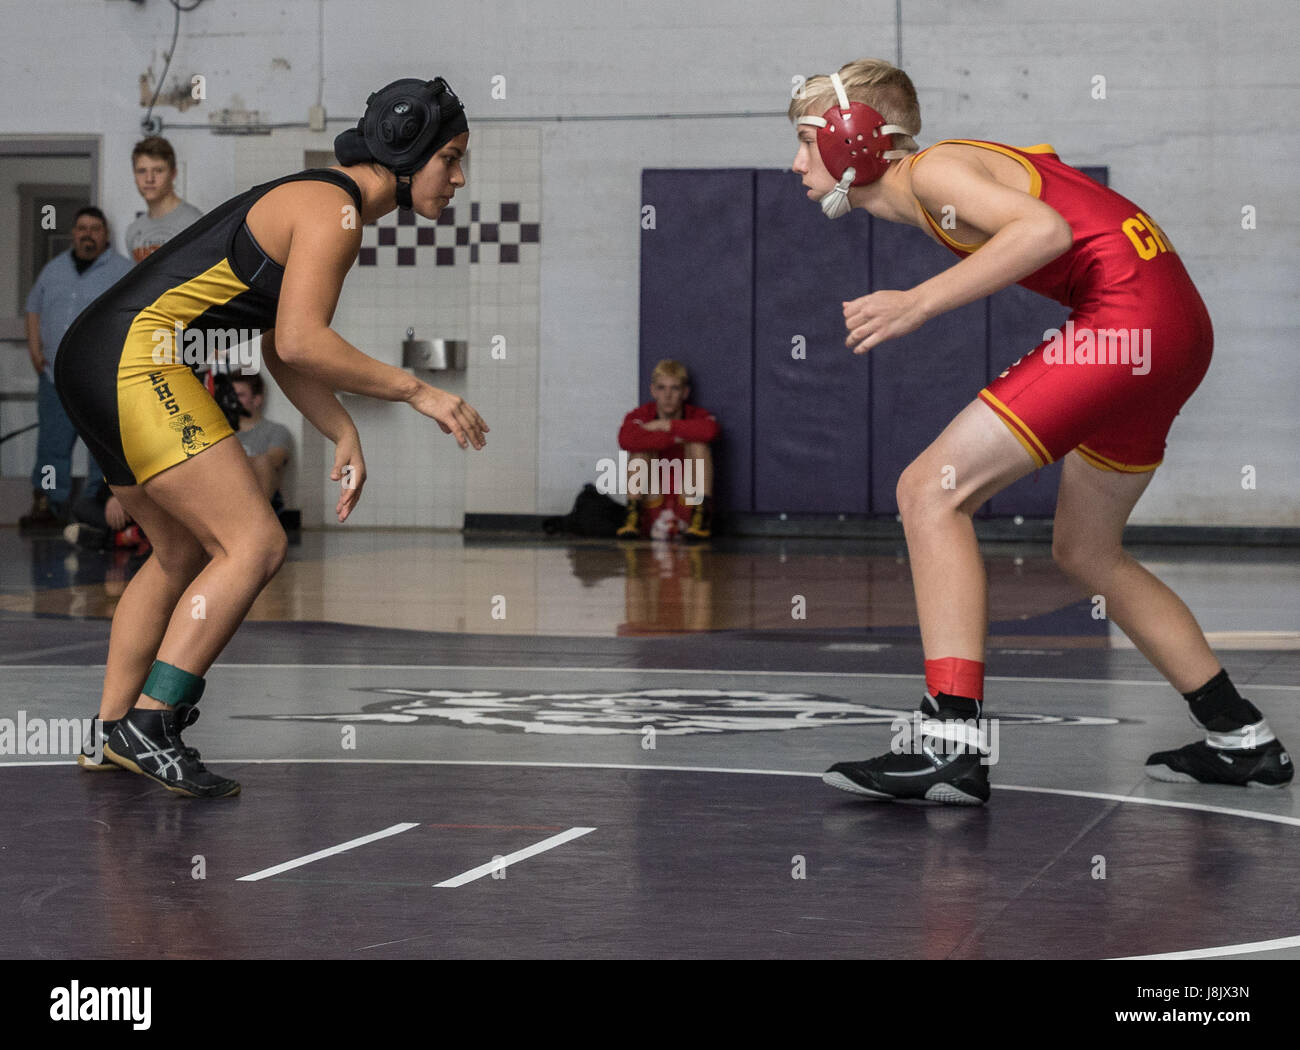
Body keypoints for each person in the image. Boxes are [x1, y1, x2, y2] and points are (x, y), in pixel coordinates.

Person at [788, 59, 1291, 804]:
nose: (796, 162)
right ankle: (1238, 735)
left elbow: (1045, 229)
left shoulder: (931, 172)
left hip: (1127, 319)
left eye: (804, 140)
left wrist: (919, 303)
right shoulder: (948, 171)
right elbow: (1052, 189)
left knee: (929, 490)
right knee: (1086, 550)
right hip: (1174, 325)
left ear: (854, 138)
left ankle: (951, 741)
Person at [57, 76, 487, 796]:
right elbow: (302, 338)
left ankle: (113, 732)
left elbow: (284, 350)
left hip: (95, 354)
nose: (460, 176)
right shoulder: (334, 212)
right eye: (452, 156)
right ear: (409, 154)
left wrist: (341, 429)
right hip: (138, 354)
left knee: (178, 552)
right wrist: (419, 389)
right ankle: (152, 723)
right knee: (255, 542)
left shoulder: (323, 201)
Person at [20, 207, 132, 528]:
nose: (88, 234)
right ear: (73, 233)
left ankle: (96, 507)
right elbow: (33, 309)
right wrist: (33, 347)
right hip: (55, 378)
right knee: (52, 446)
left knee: (101, 446)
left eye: (95, 228)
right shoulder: (52, 271)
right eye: (82, 228)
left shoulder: (123, 270)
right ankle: (49, 505)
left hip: (99, 378)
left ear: (105, 235)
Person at [616, 359, 719, 539]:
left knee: (698, 444)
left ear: (685, 392)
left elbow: (710, 431)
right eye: (662, 388)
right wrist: (675, 436)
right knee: (639, 449)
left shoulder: (697, 415)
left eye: (675, 388)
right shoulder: (641, 414)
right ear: (653, 391)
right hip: (653, 504)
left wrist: (664, 425)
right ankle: (633, 517)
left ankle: (701, 517)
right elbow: (625, 439)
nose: (668, 395)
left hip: (687, 504)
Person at [124, 137, 204, 263]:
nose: (149, 178)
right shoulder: (133, 231)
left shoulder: (195, 222)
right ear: (134, 175)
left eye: (158, 170)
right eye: (142, 171)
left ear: (173, 174)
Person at [230, 373, 292, 509]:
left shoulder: (276, 430)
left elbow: (275, 460)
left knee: (263, 462)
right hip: (226, 496)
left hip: (259, 499)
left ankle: (255, 518)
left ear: (257, 399)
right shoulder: (221, 432)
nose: (232, 400)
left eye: (240, 395)